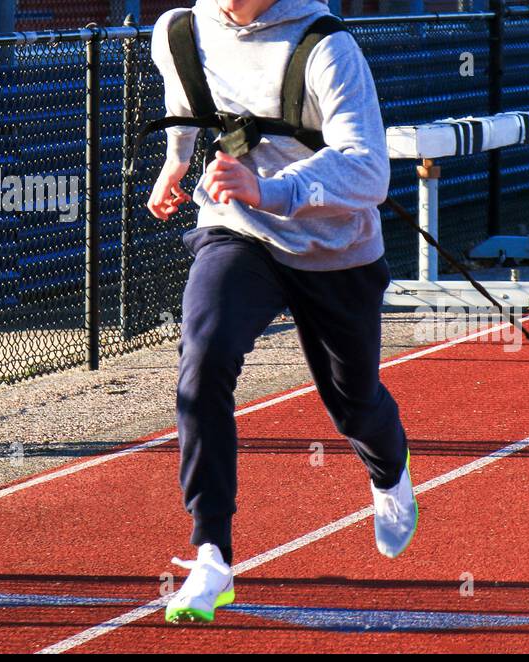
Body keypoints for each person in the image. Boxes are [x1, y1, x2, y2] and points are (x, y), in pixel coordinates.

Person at [146, 0, 416, 624]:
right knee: (204, 358)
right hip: (237, 232)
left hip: (334, 245)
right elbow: (186, 97)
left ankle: (389, 469)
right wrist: (176, 160)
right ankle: (211, 551)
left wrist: (275, 189)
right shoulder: (178, 31)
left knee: (354, 402)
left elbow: (370, 169)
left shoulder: (328, 48)